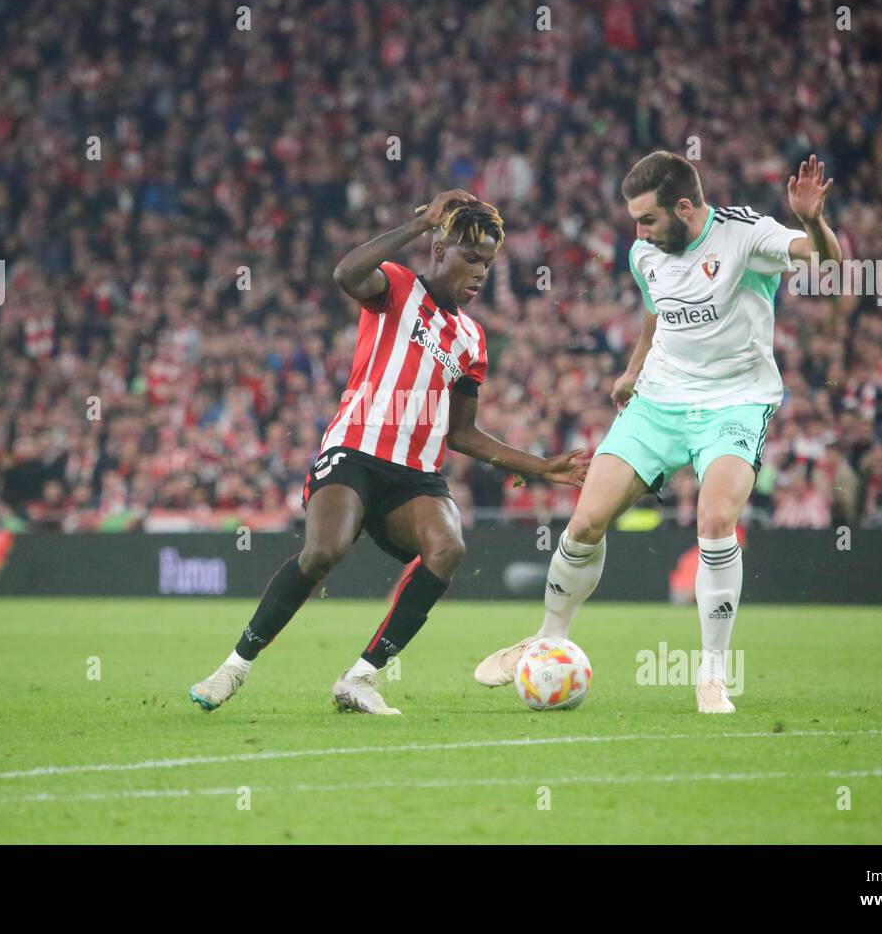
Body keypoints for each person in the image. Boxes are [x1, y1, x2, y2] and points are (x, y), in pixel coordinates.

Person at [191, 190, 588, 715]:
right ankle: (234, 667)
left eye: (487, 263)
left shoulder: (471, 340)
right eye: (470, 257)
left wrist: (541, 468)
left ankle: (360, 677)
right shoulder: (396, 285)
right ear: (439, 249)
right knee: (323, 553)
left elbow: (463, 434)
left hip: (415, 476)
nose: (480, 272)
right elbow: (345, 274)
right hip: (354, 451)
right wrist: (419, 221)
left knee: (448, 548)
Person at [474, 152, 841, 714]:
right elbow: (656, 312)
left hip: (735, 402)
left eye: (646, 219)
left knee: (716, 519)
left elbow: (825, 259)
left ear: (685, 208)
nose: (637, 231)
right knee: (586, 520)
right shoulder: (645, 253)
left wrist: (811, 219)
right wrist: (632, 370)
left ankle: (712, 676)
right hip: (660, 400)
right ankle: (548, 638)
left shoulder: (745, 235)